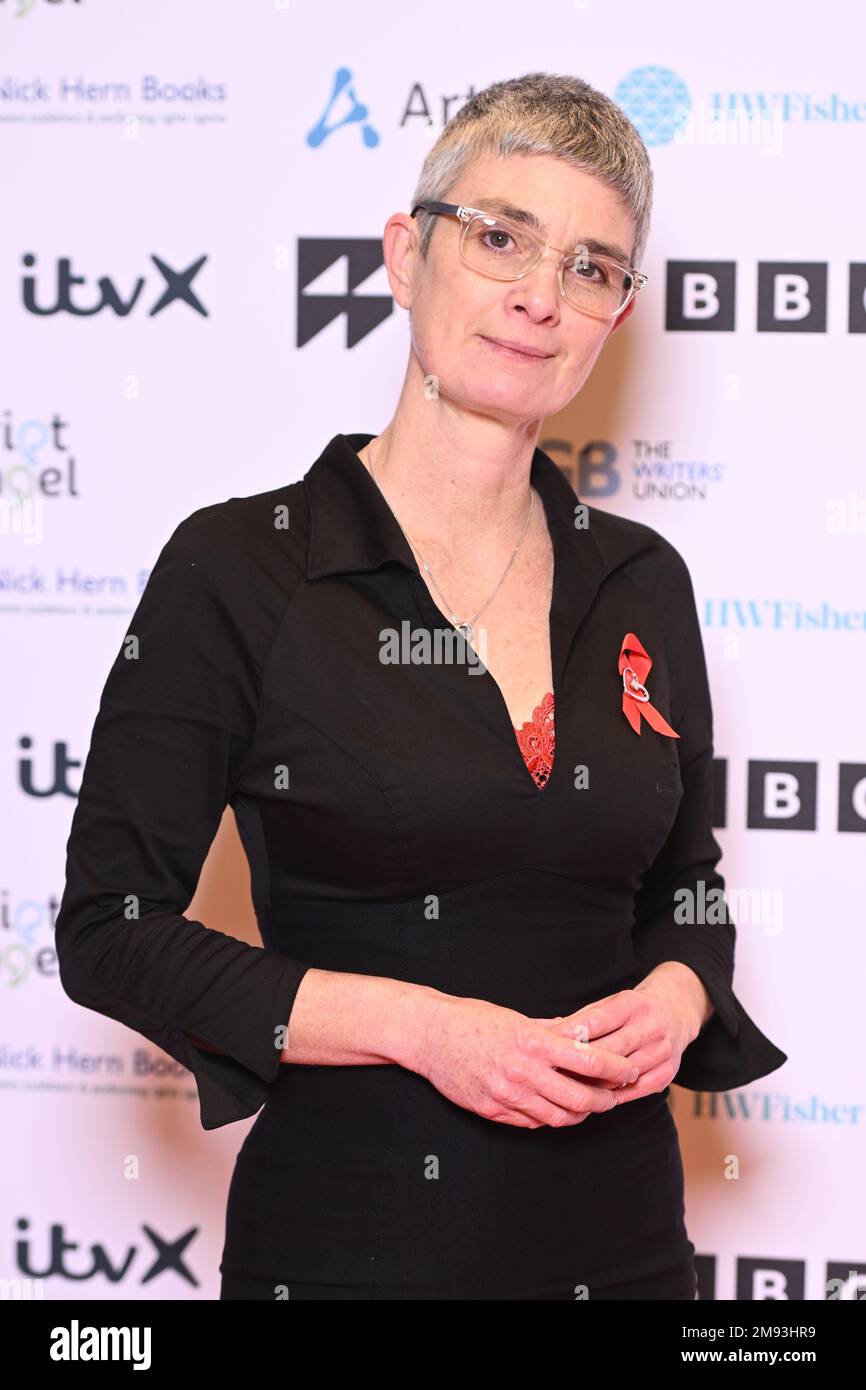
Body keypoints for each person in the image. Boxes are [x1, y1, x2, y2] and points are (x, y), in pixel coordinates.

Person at [54, 72, 787, 1301]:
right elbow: (108, 931)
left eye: (591, 267)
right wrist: (420, 1026)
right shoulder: (243, 566)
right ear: (406, 255)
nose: (537, 297)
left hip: (625, 1252)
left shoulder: (642, 579)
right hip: (353, 1249)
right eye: (500, 236)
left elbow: (686, 882)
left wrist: (673, 991)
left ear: (616, 312)